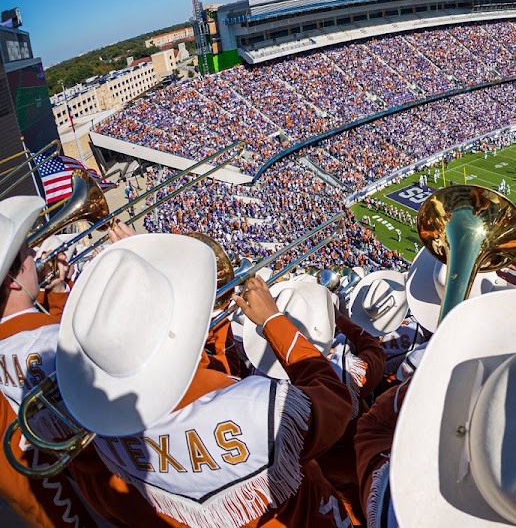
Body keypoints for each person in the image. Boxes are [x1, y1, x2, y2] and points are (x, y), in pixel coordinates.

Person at [58, 233, 356, 527]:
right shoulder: (242, 403)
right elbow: (333, 402)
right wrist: (273, 321)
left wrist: (149, 282)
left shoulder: (96, 439)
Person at [0, 196, 99, 528]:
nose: (34, 255)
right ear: (14, 278)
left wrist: (55, 295)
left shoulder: (48, 334)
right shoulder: (63, 339)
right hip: (101, 488)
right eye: (27, 251)